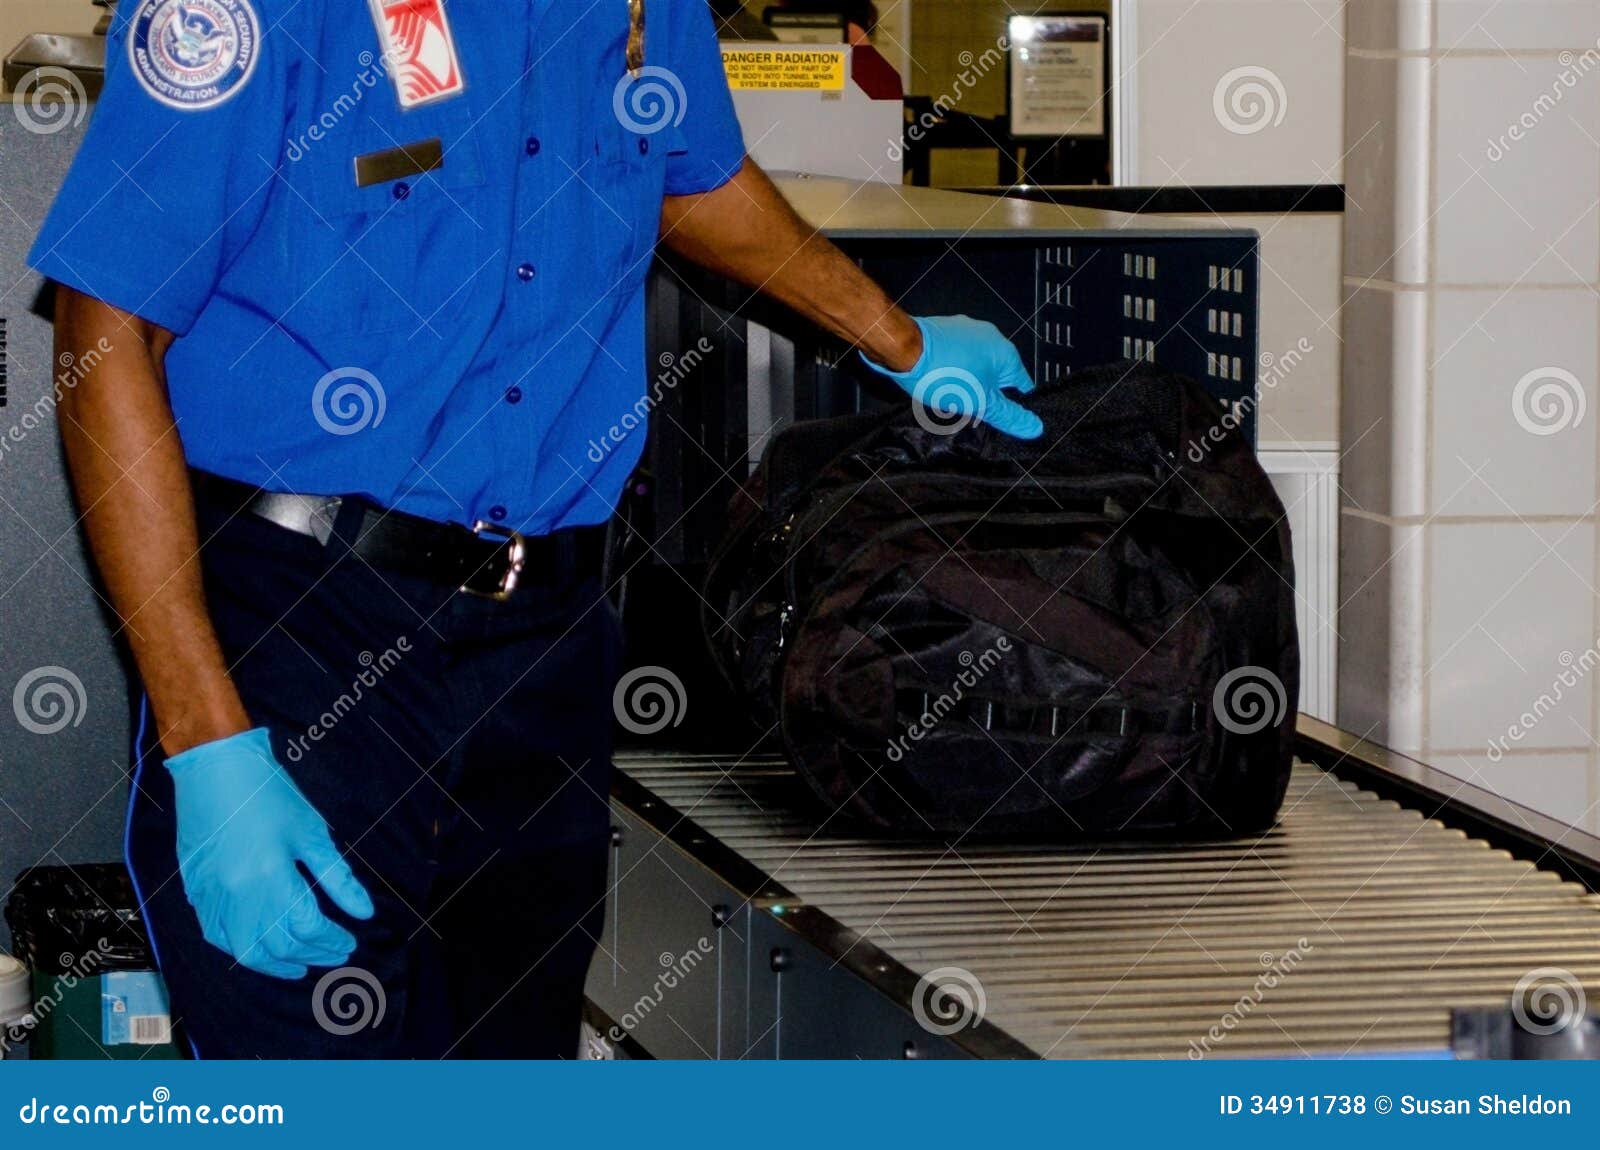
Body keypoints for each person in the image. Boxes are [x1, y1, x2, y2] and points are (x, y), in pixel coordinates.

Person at [30, 0, 1040, 1057]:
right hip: (307, 628)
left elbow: (684, 176)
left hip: (543, 644)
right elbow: (109, 330)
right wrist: (207, 747)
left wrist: (899, 339)